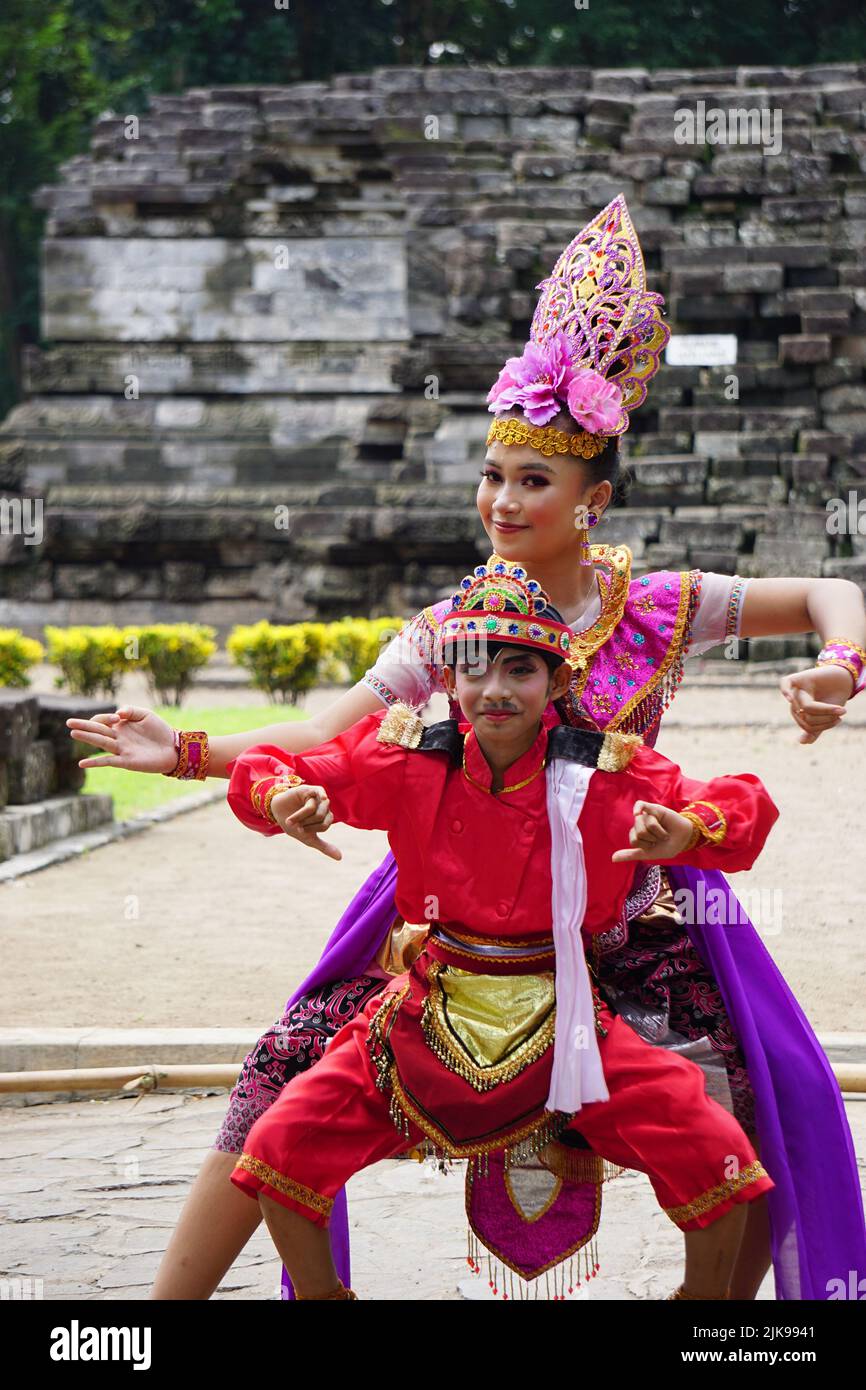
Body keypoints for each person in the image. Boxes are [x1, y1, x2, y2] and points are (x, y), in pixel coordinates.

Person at [64, 195, 866, 1301]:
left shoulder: (663, 606)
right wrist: (188, 746)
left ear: (593, 499)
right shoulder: (451, 633)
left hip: (626, 906)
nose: (499, 499)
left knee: (762, 1082)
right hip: (447, 913)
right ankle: (160, 1316)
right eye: (490, 475)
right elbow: (321, 738)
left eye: (531, 479)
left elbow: (830, 588)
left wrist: (840, 665)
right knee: (279, 1070)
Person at [223, 561, 778, 1301]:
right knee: (277, 1147)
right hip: (427, 1010)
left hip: (570, 1019)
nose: (494, 691)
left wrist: (688, 829)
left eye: (519, 670)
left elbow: (740, 801)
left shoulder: (603, 772)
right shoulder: (410, 758)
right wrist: (284, 796)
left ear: (554, 681)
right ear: (449, 683)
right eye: (473, 670)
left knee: (720, 1157)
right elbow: (279, 764)